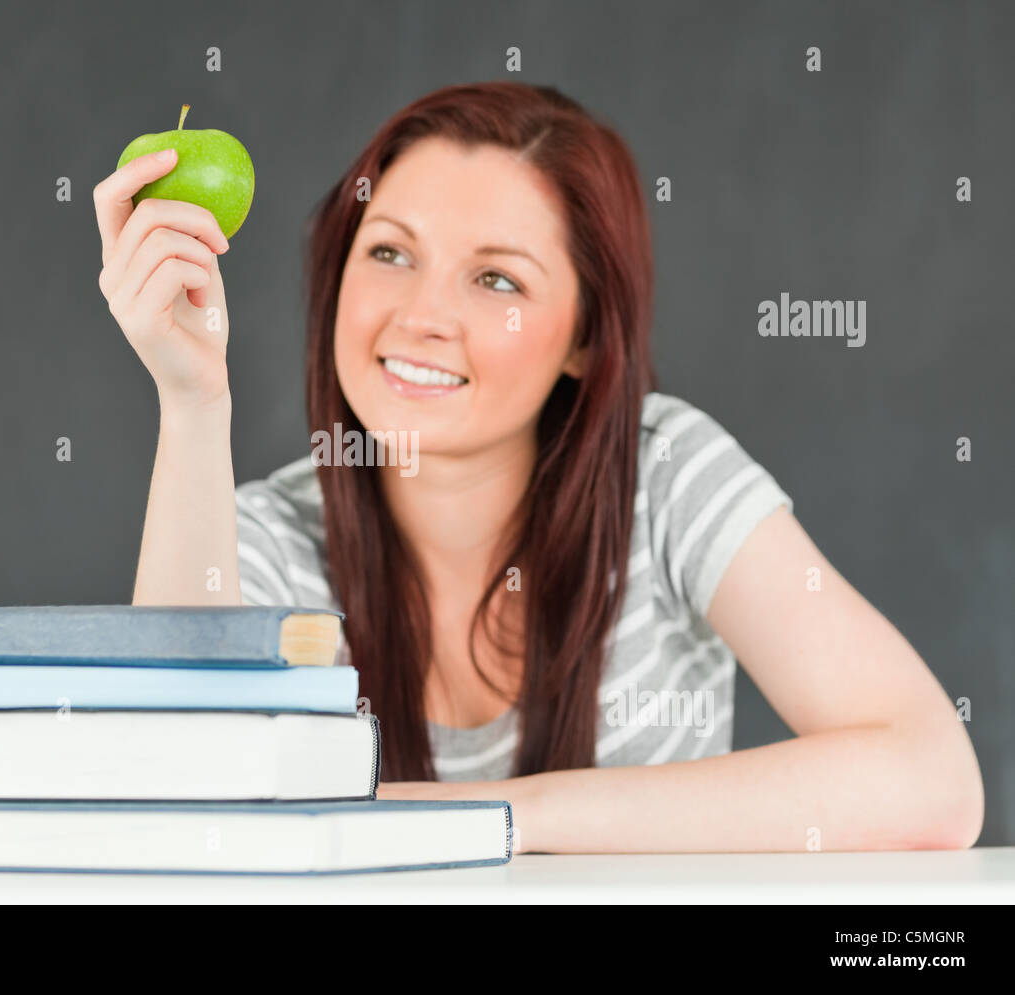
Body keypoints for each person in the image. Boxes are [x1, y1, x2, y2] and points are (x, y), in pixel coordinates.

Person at [93, 81, 982, 854]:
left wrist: (496, 814)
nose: (422, 316)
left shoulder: (664, 477)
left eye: (498, 281)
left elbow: (933, 780)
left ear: (587, 340)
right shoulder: (268, 533)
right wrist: (192, 403)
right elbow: (172, 796)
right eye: (391, 252)